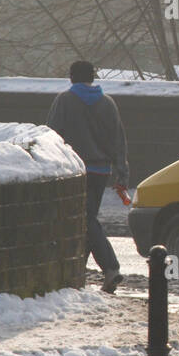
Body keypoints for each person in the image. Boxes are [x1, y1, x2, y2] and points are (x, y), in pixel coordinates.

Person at [47, 61, 130, 292]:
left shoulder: (64, 101)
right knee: (87, 219)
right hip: (101, 172)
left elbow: (52, 135)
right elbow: (119, 141)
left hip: (75, 170)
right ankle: (78, 274)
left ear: (72, 77)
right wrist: (122, 174)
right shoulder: (108, 103)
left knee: (84, 219)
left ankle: (111, 268)